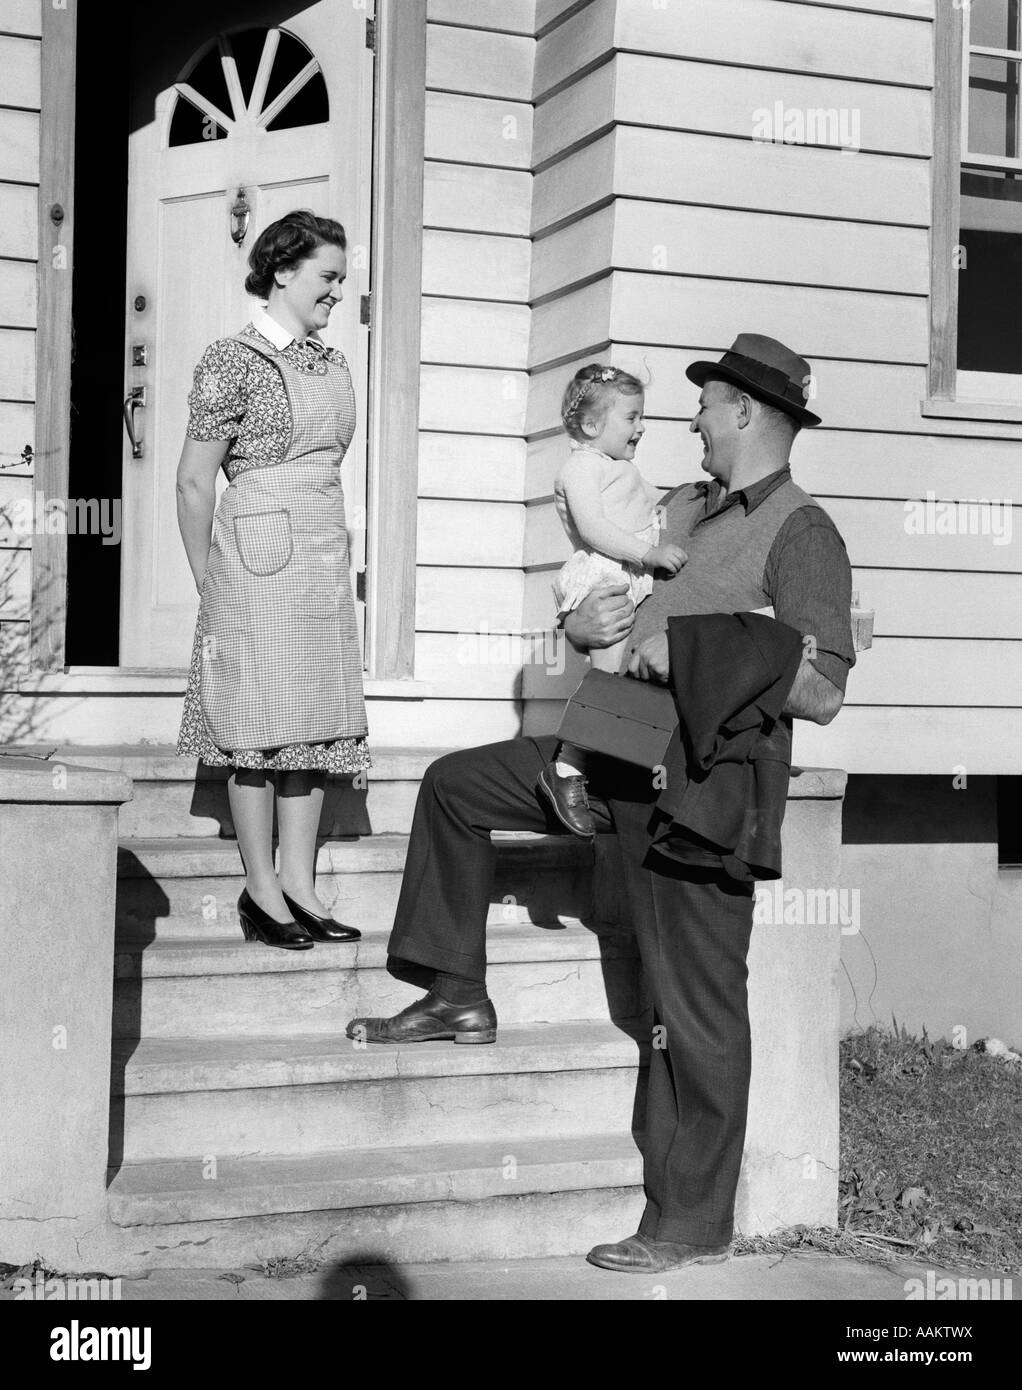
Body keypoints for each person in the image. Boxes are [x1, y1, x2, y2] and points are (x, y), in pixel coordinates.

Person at [346, 333, 856, 1274]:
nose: (692, 419)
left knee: (694, 1003)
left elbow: (824, 687)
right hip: (608, 744)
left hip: (699, 792)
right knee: (455, 786)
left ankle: (690, 1222)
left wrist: (697, 651)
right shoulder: (683, 506)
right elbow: (603, 592)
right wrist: (577, 627)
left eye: (707, 404)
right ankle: (453, 988)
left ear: (746, 412)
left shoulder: (802, 529)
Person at [176, 209, 368, 951]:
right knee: (254, 727)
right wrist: (208, 580)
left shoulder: (334, 362)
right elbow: (195, 482)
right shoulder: (232, 359)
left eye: (341, 280)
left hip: (318, 552)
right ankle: (260, 890)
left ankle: (299, 883)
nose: (335, 292)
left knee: (312, 724)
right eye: (326, 277)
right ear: (282, 270)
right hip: (254, 556)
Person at [539, 363, 687, 840]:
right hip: (604, 577)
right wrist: (650, 553)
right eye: (631, 417)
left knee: (622, 679)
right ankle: (566, 769)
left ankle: (599, 761)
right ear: (591, 426)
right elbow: (595, 529)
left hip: (631, 576)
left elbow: (653, 508)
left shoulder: (619, 468)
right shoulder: (581, 466)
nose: (641, 427)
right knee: (605, 681)